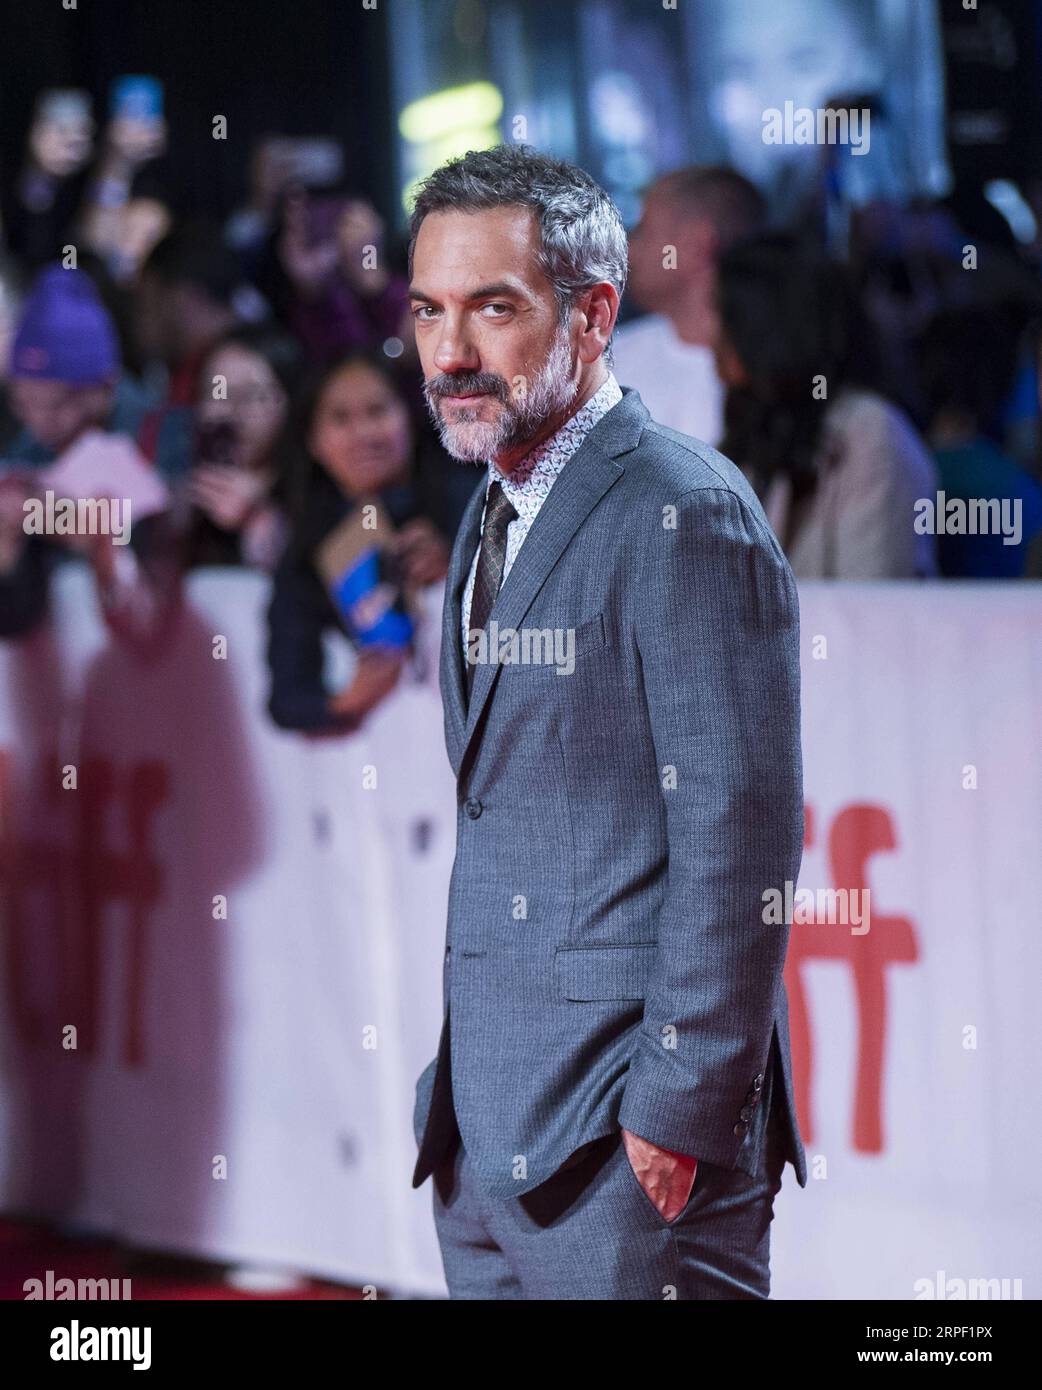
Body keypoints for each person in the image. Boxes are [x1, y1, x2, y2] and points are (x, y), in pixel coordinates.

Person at [407, 144, 806, 1300]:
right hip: (484, 1143)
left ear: (592, 317)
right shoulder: (492, 509)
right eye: (428, 310)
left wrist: (675, 1117)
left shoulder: (684, 512)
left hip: (629, 1154)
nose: (448, 353)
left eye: (492, 308)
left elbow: (741, 845)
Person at [715, 233, 939, 578]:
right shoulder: (763, 429)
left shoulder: (872, 434)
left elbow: (868, 606)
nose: (715, 342)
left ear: (770, 336)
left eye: (730, 323)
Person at [265, 351, 457, 734]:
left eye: (378, 411)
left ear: (410, 416)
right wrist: (348, 699)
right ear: (314, 442)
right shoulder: (309, 554)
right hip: (399, 750)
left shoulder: (473, 493)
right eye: (341, 419)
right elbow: (287, 697)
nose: (365, 434)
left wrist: (460, 558)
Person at [611, 165, 765, 446]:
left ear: (699, 244)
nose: (629, 249)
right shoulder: (606, 365)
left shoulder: (774, 372)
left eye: (644, 230)